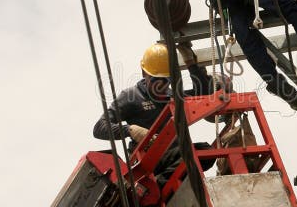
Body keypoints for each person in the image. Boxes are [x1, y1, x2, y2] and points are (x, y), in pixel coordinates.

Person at [92, 42, 214, 186]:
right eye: (156, 79)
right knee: (192, 155)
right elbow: (99, 128)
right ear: (144, 73)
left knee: (206, 152)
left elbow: (205, 96)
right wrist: (130, 130)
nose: (162, 85)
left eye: (166, 80)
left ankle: (160, 184)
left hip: (174, 156)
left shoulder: (172, 96)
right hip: (148, 159)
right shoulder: (131, 96)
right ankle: (155, 186)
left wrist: (190, 63)